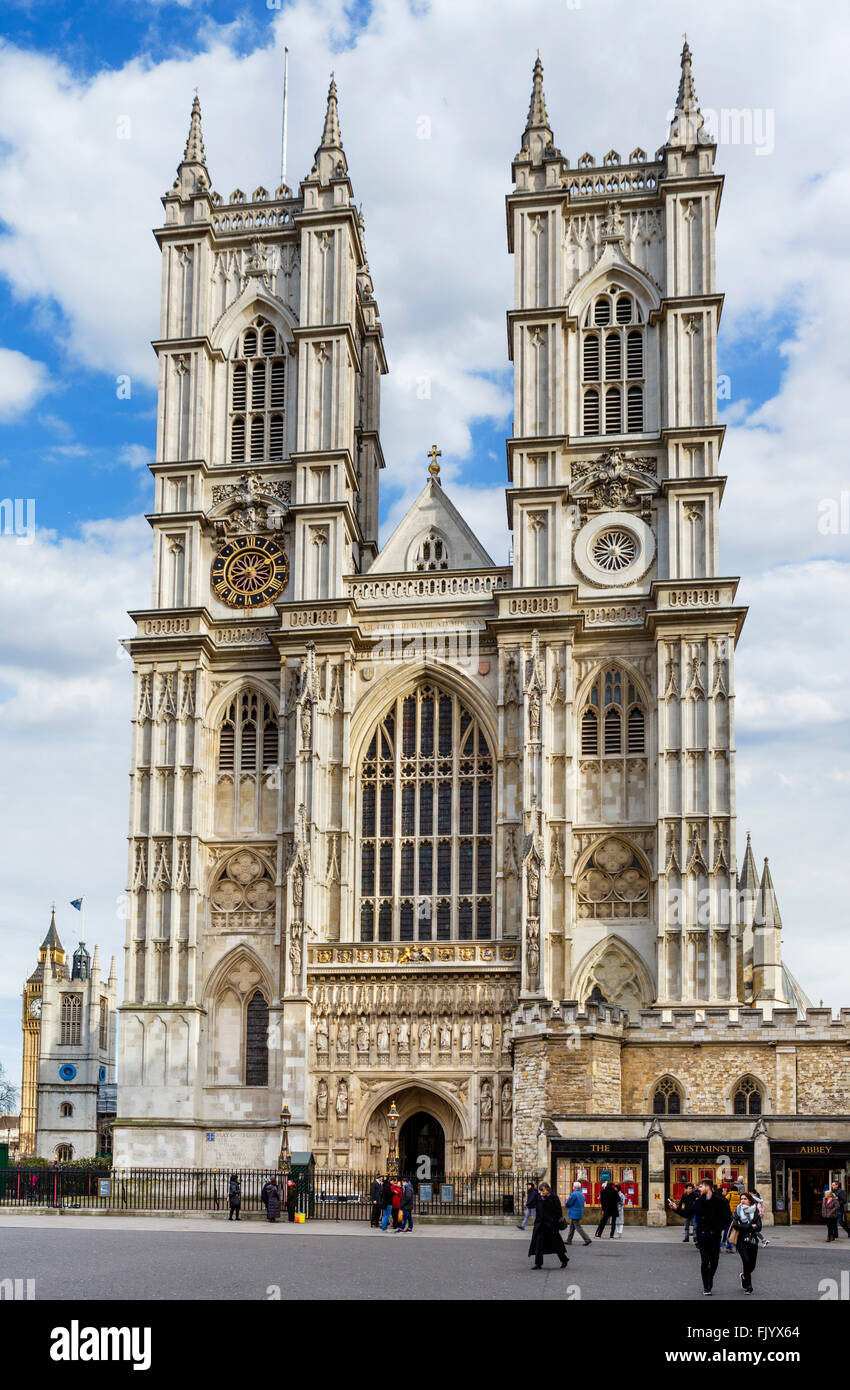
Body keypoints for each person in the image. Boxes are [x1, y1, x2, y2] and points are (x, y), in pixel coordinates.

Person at [693, 1179, 733, 1296]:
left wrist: (719, 1226)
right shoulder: (699, 1201)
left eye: (701, 1187)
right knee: (705, 1261)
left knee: (714, 1261)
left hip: (715, 1235)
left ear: (709, 1188)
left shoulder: (721, 1202)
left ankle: (709, 1278)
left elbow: (728, 1216)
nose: (699, 1189)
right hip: (703, 1235)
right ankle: (706, 1286)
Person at [527, 1182, 569, 1270]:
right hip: (540, 1224)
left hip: (551, 1225)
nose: (542, 1193)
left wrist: (554, 1221)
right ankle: (538, 1264)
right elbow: (531, 1204)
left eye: (544, 1191)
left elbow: (558, 1211)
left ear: (548, 1189)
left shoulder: (554, 1197)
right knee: (538, 1243)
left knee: (556, 1243)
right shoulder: (538, 1197)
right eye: (541, 1191)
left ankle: (564, 1259)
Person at [732, 1192, 762, 1293]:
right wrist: (750, 1226)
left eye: (745, 1199)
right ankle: (749, 1286)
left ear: (749, 1200)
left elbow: (759, 1227)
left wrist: (744, 1226)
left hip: (753, 1241)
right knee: (746, 1261)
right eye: (741, 1199)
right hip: (741, 1240)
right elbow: (736, 1225)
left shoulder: (755, 1212)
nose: (742, 1201)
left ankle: (744, 1275)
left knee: (752, 1264)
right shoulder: (738, 1211)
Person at [565, 1181, 592, 1247]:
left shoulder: (574, 1194)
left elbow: (568, 1203)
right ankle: (569, 1240)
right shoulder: (581, 1194)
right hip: (579, 1212)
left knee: (578, 1227)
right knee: (572, 1227)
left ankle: (587, 1239)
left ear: (574, 1187)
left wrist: (566, 1204)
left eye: (573, 1186)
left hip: (574, 1213)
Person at [723, 1183, 741, 1252]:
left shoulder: (729, 1195)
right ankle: (736, 1245)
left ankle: (728, 1246)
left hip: (729, 1215)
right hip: (737, 1215)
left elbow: (724, 1202)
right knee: (736, 1230)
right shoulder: (739, 1196)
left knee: (728, 1230)